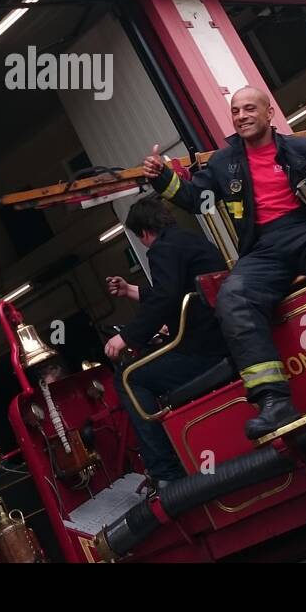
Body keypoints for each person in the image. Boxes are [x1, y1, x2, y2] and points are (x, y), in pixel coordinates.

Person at [143, 86, 306, 441]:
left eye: (250, 109)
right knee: (233, 297)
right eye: (236, 111)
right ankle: (274, 402)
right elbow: (196, 200)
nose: (242, 116)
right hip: (263, 249)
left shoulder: (300, 147)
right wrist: (160, 176)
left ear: (268, 115)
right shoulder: (223, 162)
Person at [103, 195, 230, 485]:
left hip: (202, 350)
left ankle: (166, 472)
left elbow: (166, 297)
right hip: (220, 338)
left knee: (128, 377)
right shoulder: (192, 241)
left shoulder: (160, 250)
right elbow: (172, 292)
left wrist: (126, 337)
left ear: (144, 233)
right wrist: (130, 290)